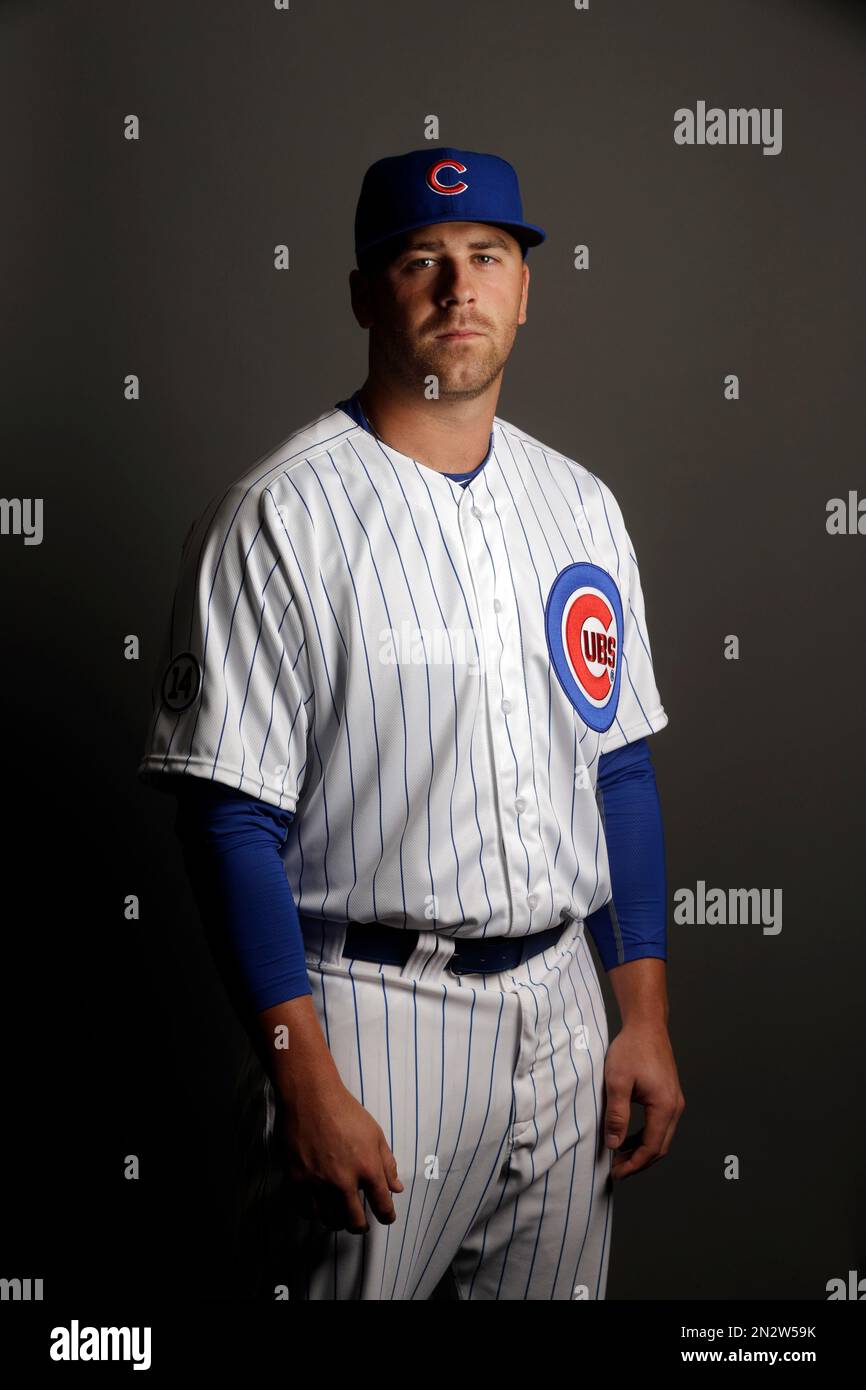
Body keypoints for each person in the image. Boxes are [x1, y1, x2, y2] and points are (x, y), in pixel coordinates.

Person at [138, 146, 685, 1301]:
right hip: (370, 1017)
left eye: (487, 257)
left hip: (562, 1015)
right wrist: (300, 1075)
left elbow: (618, 771)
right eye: (418, 261)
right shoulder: (278, 515)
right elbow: (230, 823)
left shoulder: (579, 505)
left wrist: (639, 1015)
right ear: (361, 295)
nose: (457, 289)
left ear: (524, 290)